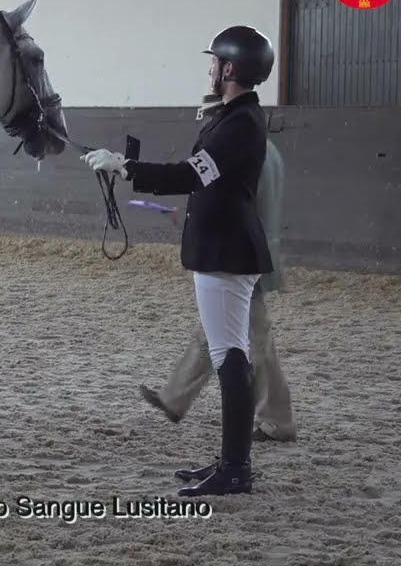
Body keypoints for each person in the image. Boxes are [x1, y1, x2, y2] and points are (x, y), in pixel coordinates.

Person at [83, 25, 275, 497]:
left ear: (229, 69)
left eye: (214, 63)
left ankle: (235, 469)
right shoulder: (234, 117)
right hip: (223, 247)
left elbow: (192, 175)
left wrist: (125, 169)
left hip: (225, 250)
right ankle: (232, 463)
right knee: (229, 354)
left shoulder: (239, 124)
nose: (209, 69)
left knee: (229, 358)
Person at [137, 92, 297, 444]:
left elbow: (237, 205)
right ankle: (175, 398)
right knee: (221, 333)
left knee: (253, 341)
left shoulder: (243, 152)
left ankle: (276, 420)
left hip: (238, 258)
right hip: (247, 255)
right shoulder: (267, 153)